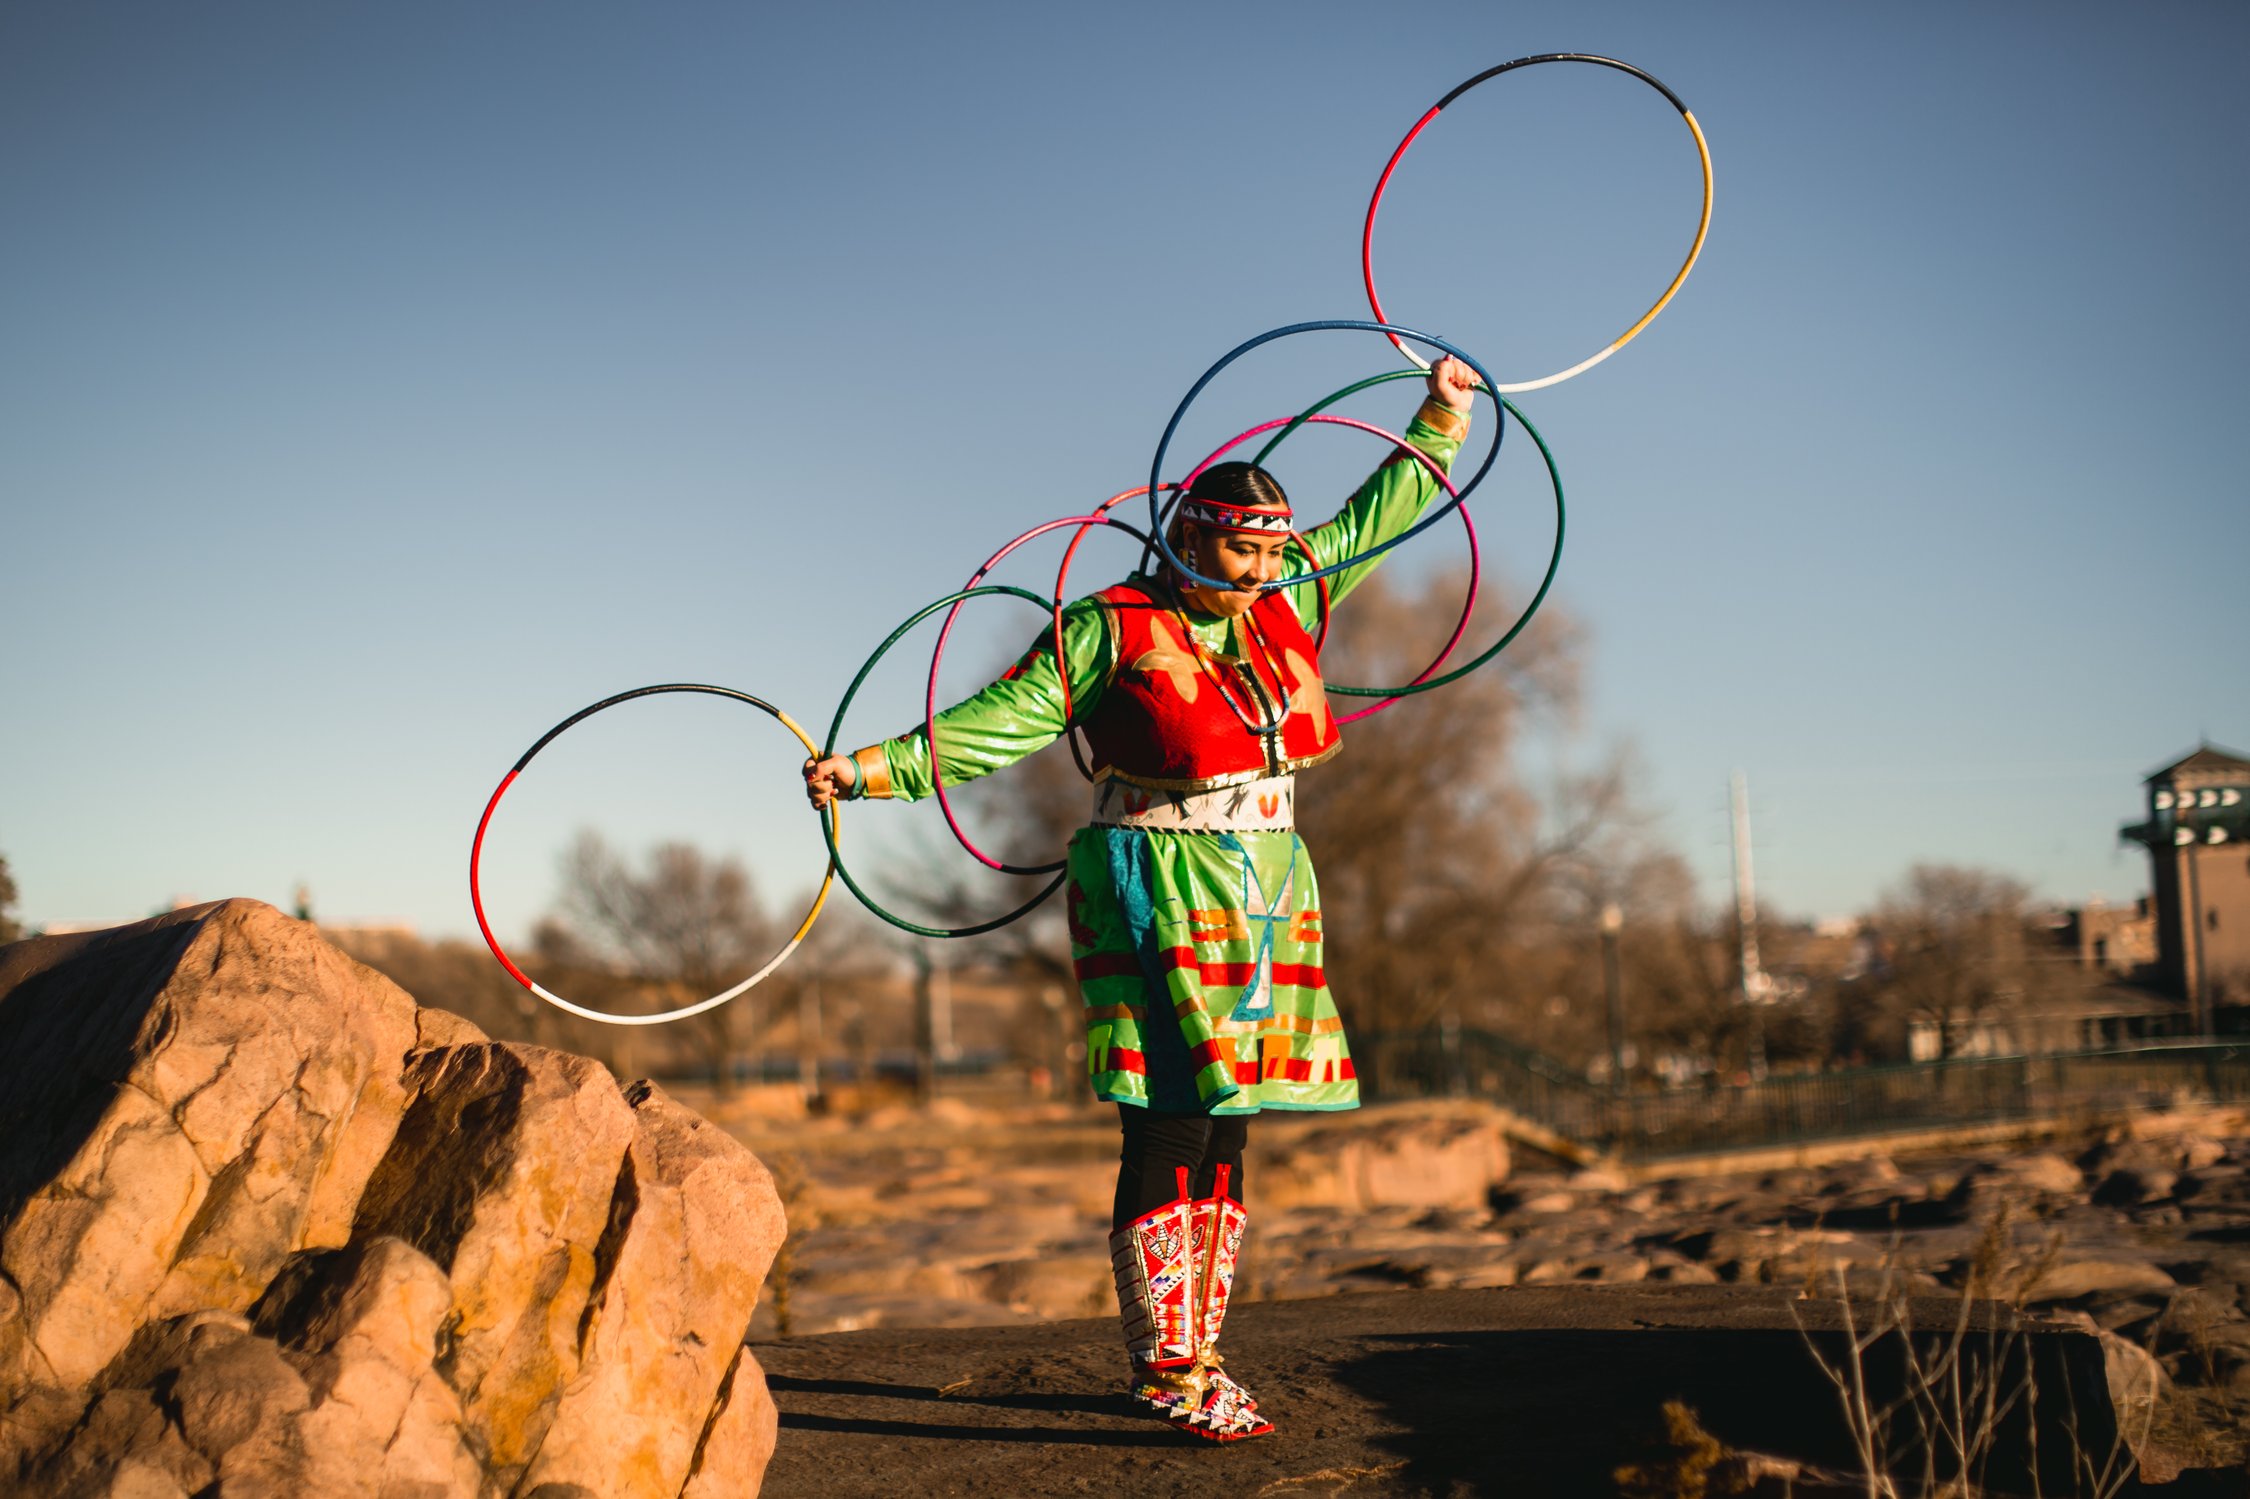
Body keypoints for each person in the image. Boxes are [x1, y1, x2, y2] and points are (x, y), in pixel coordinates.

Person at [804, 356, 1477, 1440]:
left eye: (1273, 551)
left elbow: (1375, 519)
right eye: (1241, 549)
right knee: (1170, 1115)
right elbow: (1008, 716)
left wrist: (1440, 413)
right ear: (1189, 536)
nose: (1261, 570)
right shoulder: (1108, 624)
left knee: (1230, 1124)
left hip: (1267, 887)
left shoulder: (1286, 602)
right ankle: (1164, 1366)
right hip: (1158, 881)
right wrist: (873, 770)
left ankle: (1201, 1349)